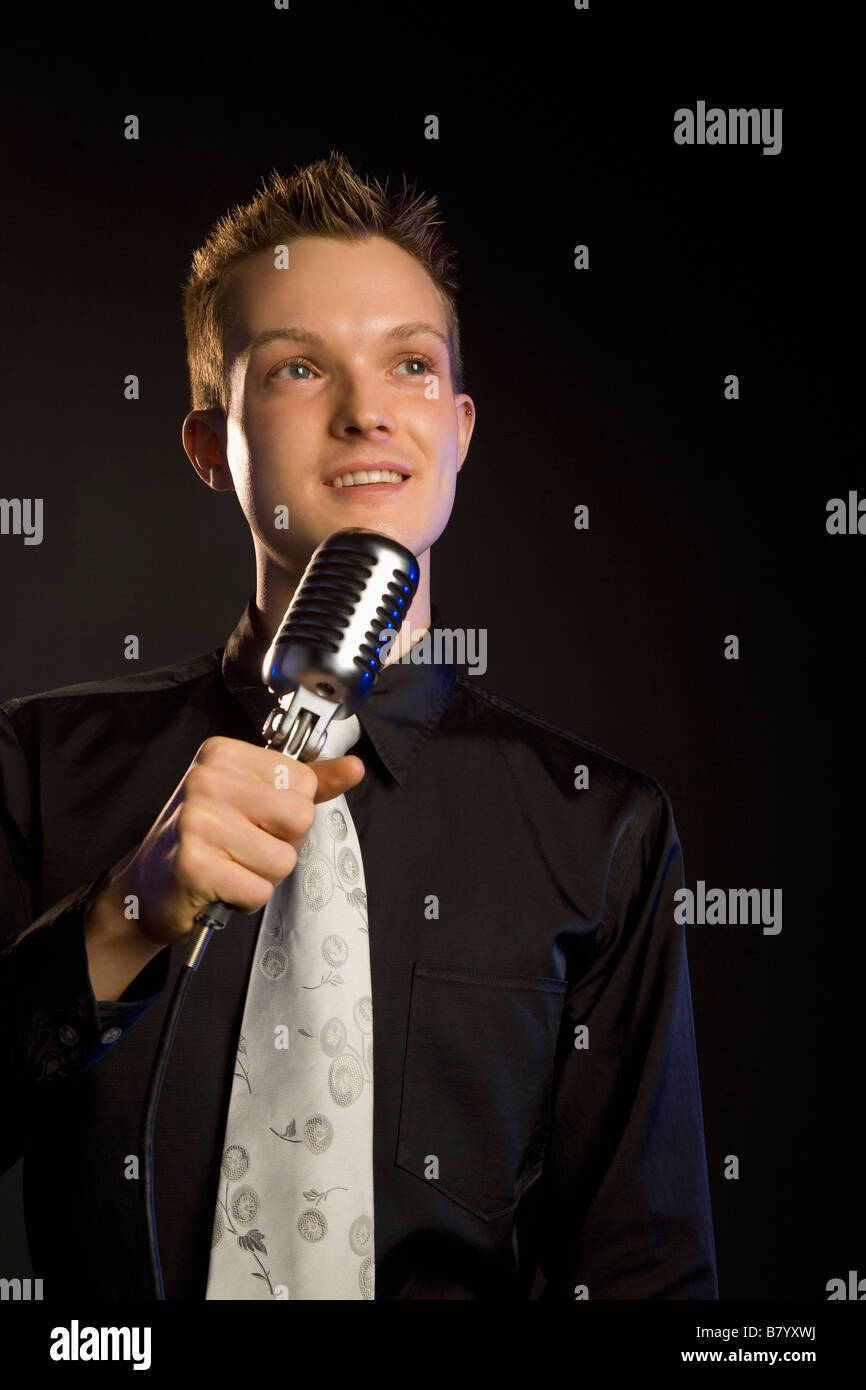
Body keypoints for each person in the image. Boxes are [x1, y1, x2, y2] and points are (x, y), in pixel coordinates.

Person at [0, 151, 718, 1300]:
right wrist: (123, 916)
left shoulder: (599, 830)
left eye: (411, 365)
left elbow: (649, 1276)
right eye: (296, 367)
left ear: (461, 430)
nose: (366, 411)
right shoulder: (35, 769)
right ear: (207, 447)